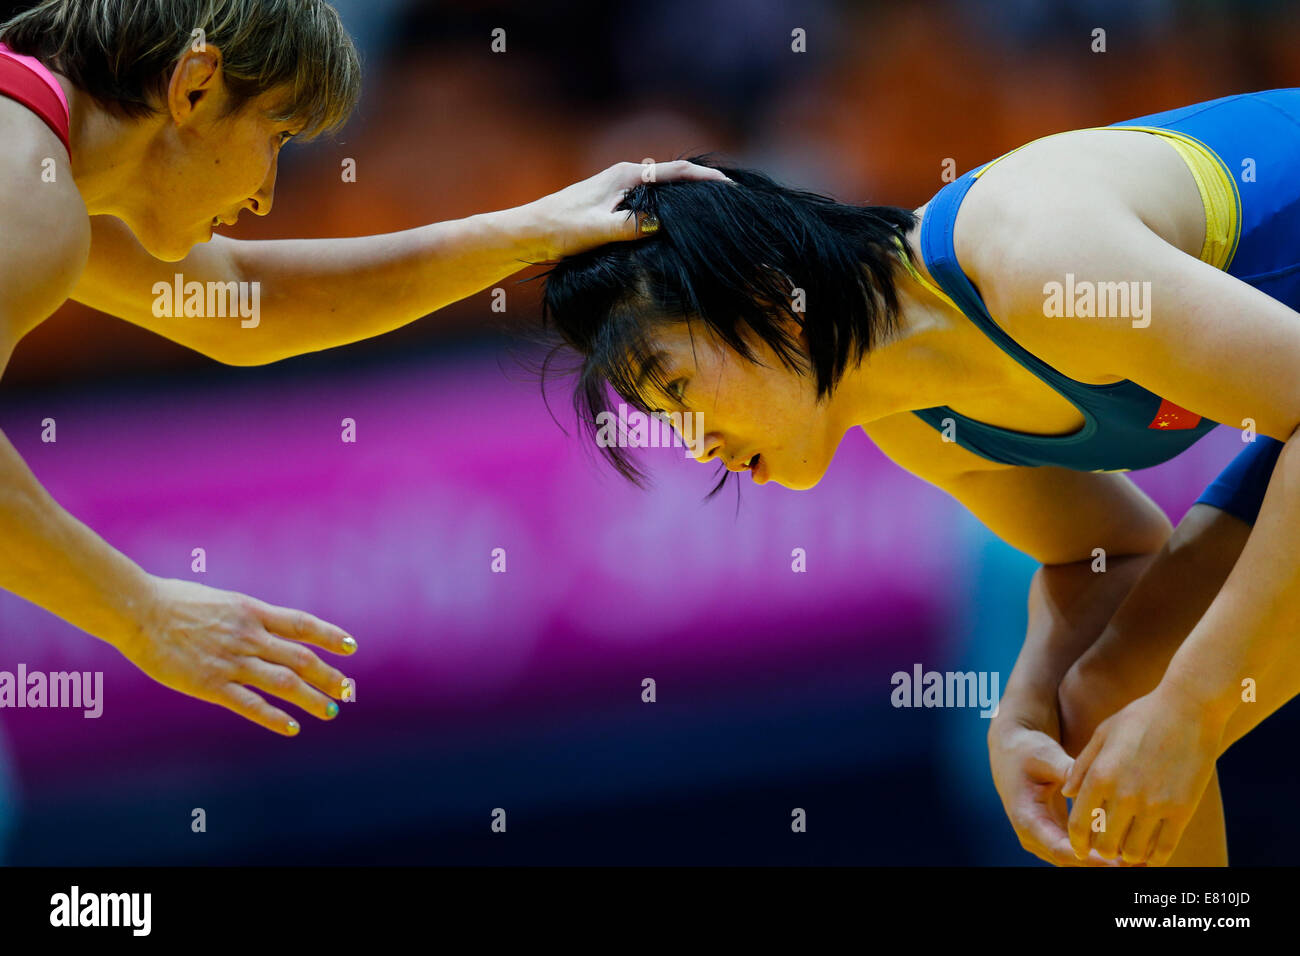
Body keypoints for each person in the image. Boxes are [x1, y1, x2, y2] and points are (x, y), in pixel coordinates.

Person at [536, 91, 1300, 867]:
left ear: (767, 297)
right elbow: (1106, 555)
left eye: (677, 393)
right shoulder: (910, 419)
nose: (693, 447)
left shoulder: (1036, 259)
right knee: (1102, 707)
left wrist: (1194, 708)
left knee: (1159, 698)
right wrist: (1023, 710)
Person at [0, 0, 726, 738]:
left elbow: (244, 304)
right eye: (276, 134)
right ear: (194, 86)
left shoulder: (42, 161)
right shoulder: (28, 187)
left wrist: (526, 233)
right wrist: (141, 613)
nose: (265, 195)